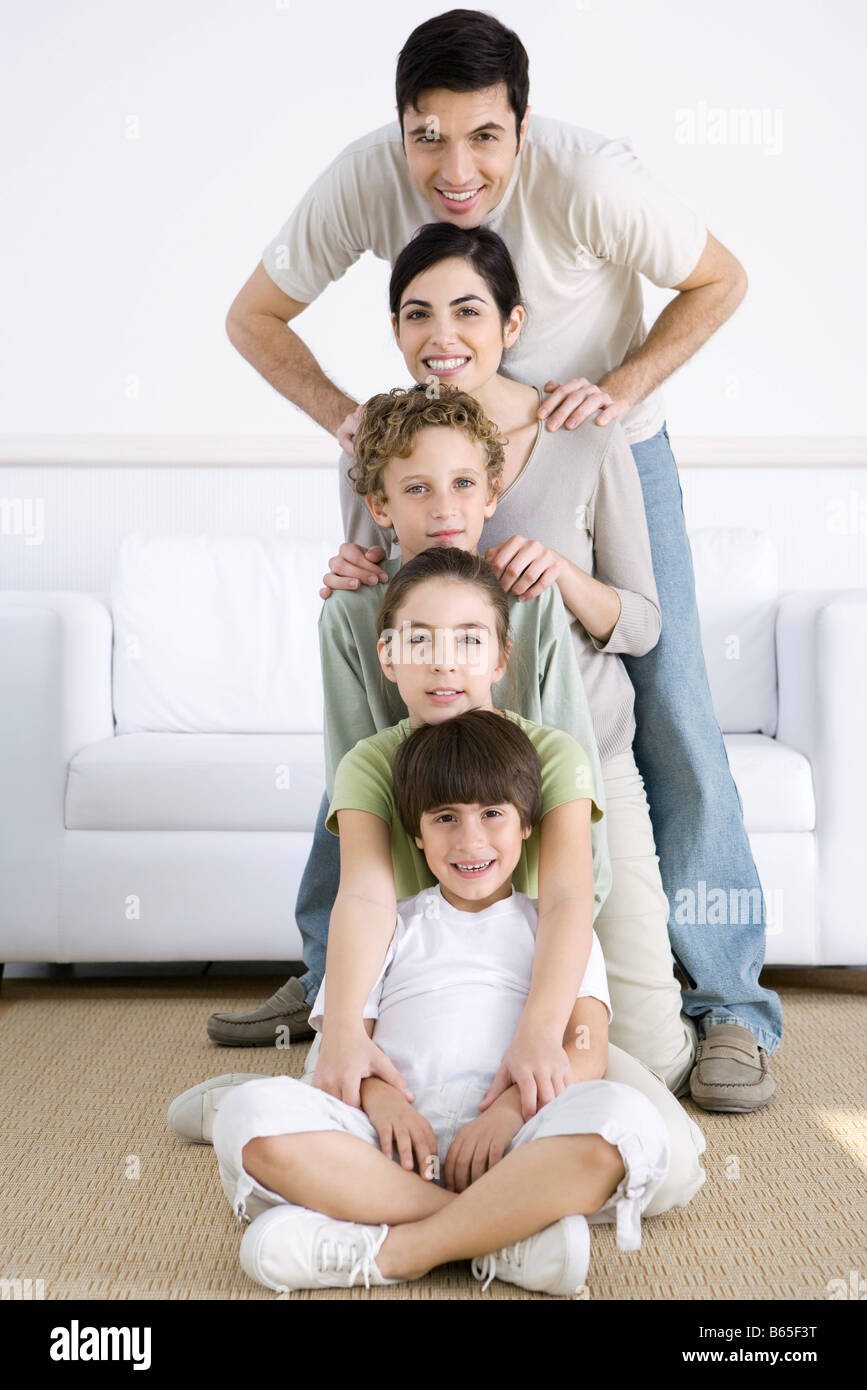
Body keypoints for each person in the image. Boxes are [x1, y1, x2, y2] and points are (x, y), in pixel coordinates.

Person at [217, 9, 781, 1107]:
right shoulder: (362, 182)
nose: (455, 168)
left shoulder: (595, 181)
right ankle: (338, 971)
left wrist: (618, 391)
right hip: (443, 448)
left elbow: (723, 279)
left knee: (666, 705)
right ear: (399, 131)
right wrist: (350, 422)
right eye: (428, 137)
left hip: (585, 438)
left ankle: (730, 1008)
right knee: (390, 700)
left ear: (524, 128)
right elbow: (254, 316)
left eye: (484, 136)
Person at [219, 382, 698, 1100]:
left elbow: (564, 814)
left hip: (530, 872)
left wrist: (525, 938)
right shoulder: (351, 614)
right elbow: (366, 795)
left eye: (462, 485)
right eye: (416, 488)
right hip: (419, 872)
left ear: (491, 491)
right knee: (391, 1064)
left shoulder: (529, 598)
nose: (442, 508)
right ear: (380, 506)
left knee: (642, 1062)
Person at [170, 711, 706, 1295]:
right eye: (446, 817)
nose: (470, 839)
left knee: (628, 1128)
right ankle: (504, 1233)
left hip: (516, 1139)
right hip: (388, 1145)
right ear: (417, 835)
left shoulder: (552, 929)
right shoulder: (391, 926)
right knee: (250, 1120)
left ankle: (396, 1250)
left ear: (527, 825)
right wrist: (383, 1106)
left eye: (493, 814)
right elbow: (351, 1045)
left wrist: (508, 1114)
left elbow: (586, 1049)